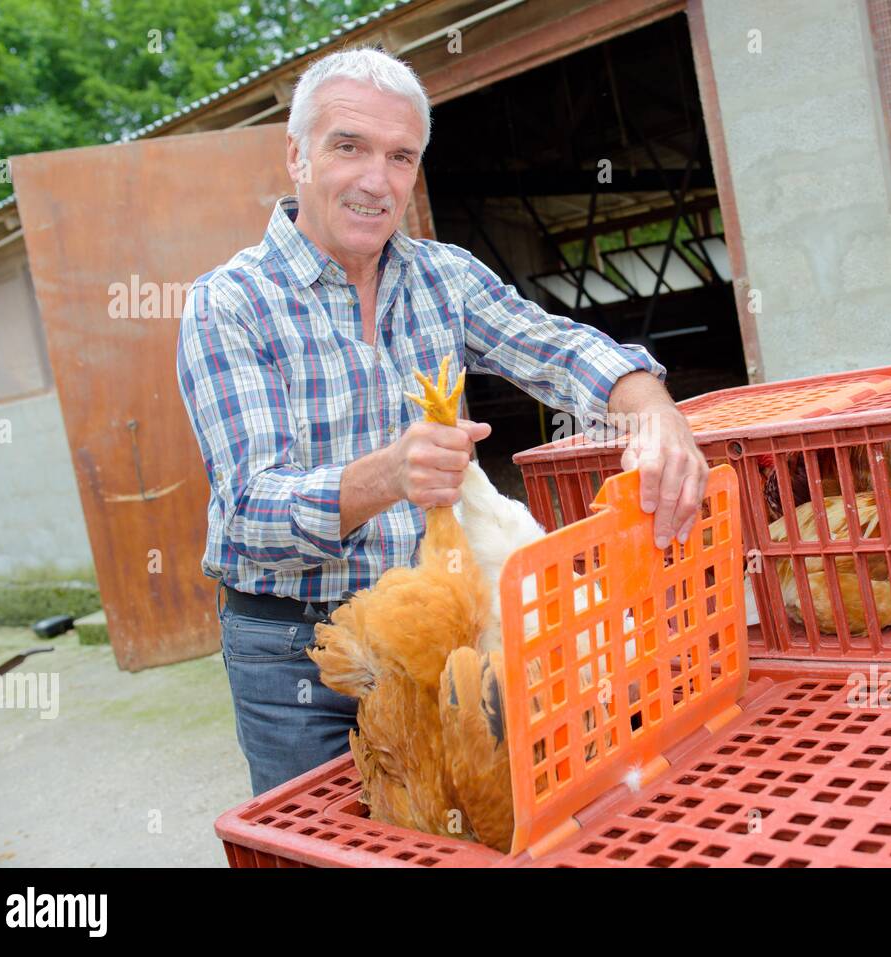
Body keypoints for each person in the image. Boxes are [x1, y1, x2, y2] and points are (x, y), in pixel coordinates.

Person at [175, 47, 709, 796]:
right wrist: (386, 475)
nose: (375, 180)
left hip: (443, 624)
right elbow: (245, 516)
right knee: (327, 842)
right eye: (349, 147)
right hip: (297, 648)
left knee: (473, 823)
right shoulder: (228, 303)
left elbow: (554, 346)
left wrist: (650, 406)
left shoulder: (441, 275)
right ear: (296, 154)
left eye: (401, 157)